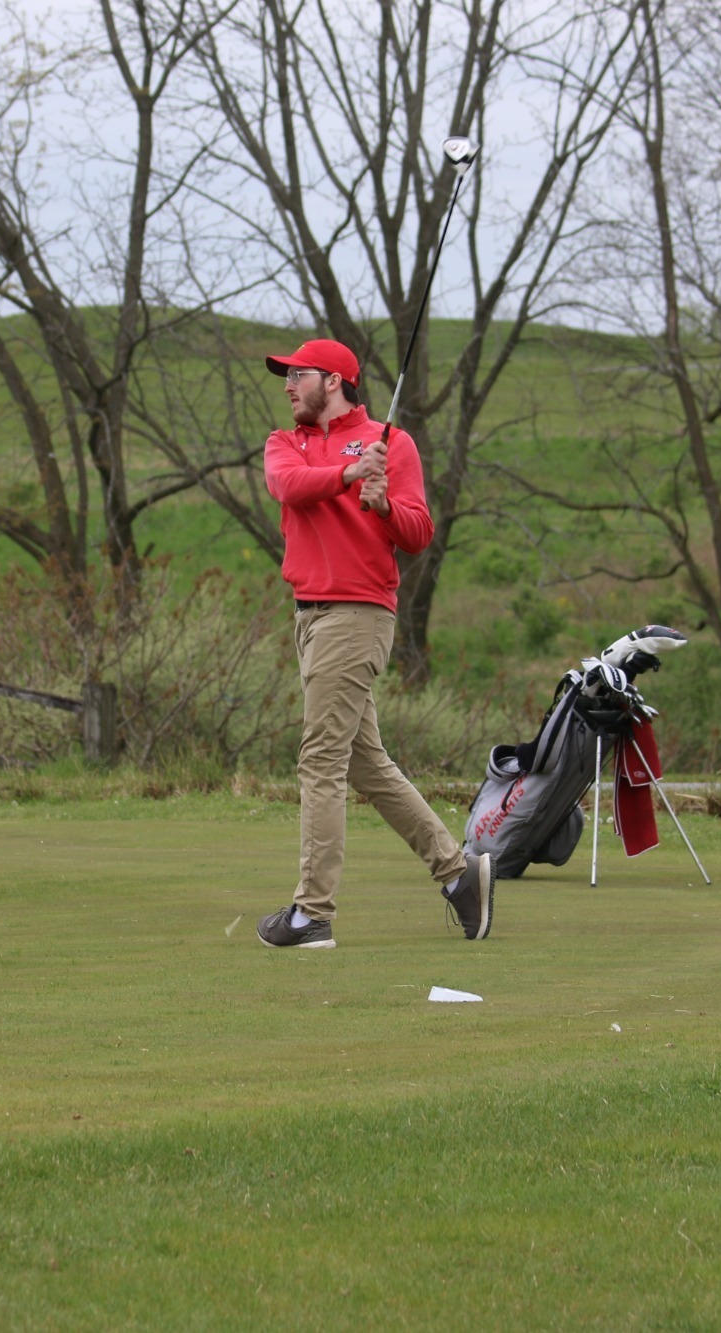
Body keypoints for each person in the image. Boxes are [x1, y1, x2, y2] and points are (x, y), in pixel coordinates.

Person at [254, 338, 492, 949]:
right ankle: (457, 873)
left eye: (297, 374)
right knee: (364, 762)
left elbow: (417, 533)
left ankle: (312, 915)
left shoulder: (395, 443)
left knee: (321, 761)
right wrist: (349, 473)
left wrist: (383, 503)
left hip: (357, 614)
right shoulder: (286, 443)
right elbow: (289, 487)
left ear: (332, 381)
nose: (287, 385)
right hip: (309, 616)